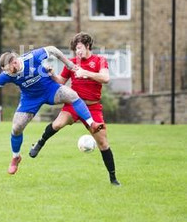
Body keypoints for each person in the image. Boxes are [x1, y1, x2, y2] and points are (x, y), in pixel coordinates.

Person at [0, 46, 104, 175]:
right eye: (5, 71)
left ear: (14, 62)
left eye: (8, 69)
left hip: (50, 90)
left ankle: (91, 123)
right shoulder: (7, 74)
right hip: (30, 99)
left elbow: (53, 50)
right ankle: (15, 157)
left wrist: (69, 64)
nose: (7, 73)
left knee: (72, 95)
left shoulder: (32, 57)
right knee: (16, 128)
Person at [29, 32, 121, 186]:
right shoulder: (71, 63)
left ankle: (113, 178)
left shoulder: (100, 60)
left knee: (103, 143)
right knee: (57, 124)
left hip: (93, 108)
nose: (77, 52)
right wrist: (52, 75)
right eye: (75, 49)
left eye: (79, 48)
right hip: (74, 104)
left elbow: (105, 78)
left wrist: (85, 73)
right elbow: (61, 81)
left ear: (87, 45)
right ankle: (40, 143)